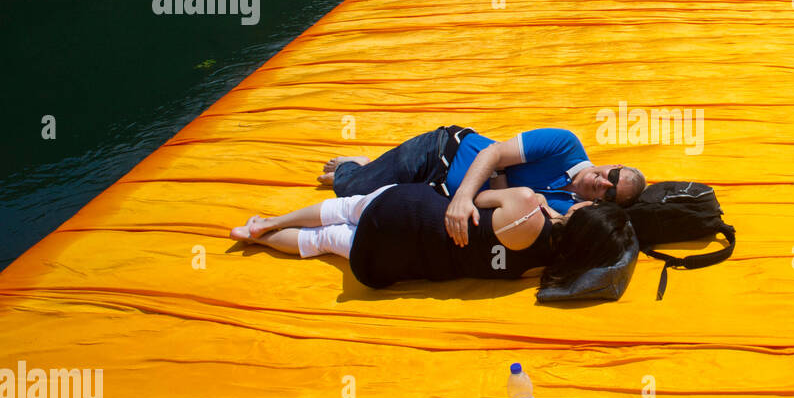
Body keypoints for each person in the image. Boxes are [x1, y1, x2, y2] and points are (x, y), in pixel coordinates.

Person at [231, 183, 636, 293]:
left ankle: (268, 222)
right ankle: (264, 239)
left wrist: (542, 203)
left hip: (409, 213)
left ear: (584, 217)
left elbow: (474, 198)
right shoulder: (545, 271)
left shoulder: (529, 207)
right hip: (403, 261)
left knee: (343, 208)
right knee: (325, 242)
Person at [318, 126, 646, 246]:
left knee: (371, 213)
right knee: (347, 188)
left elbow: (502, 194)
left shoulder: (566, 210)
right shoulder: (564, 144)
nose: (603, 183)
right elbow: (492, 152)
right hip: (442, 153)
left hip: (433, 194)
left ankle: (371, 169)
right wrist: (463, 199)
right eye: (612, 177)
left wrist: (494, 181)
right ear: (613, 165)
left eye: (610, 192)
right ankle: (357, 164)